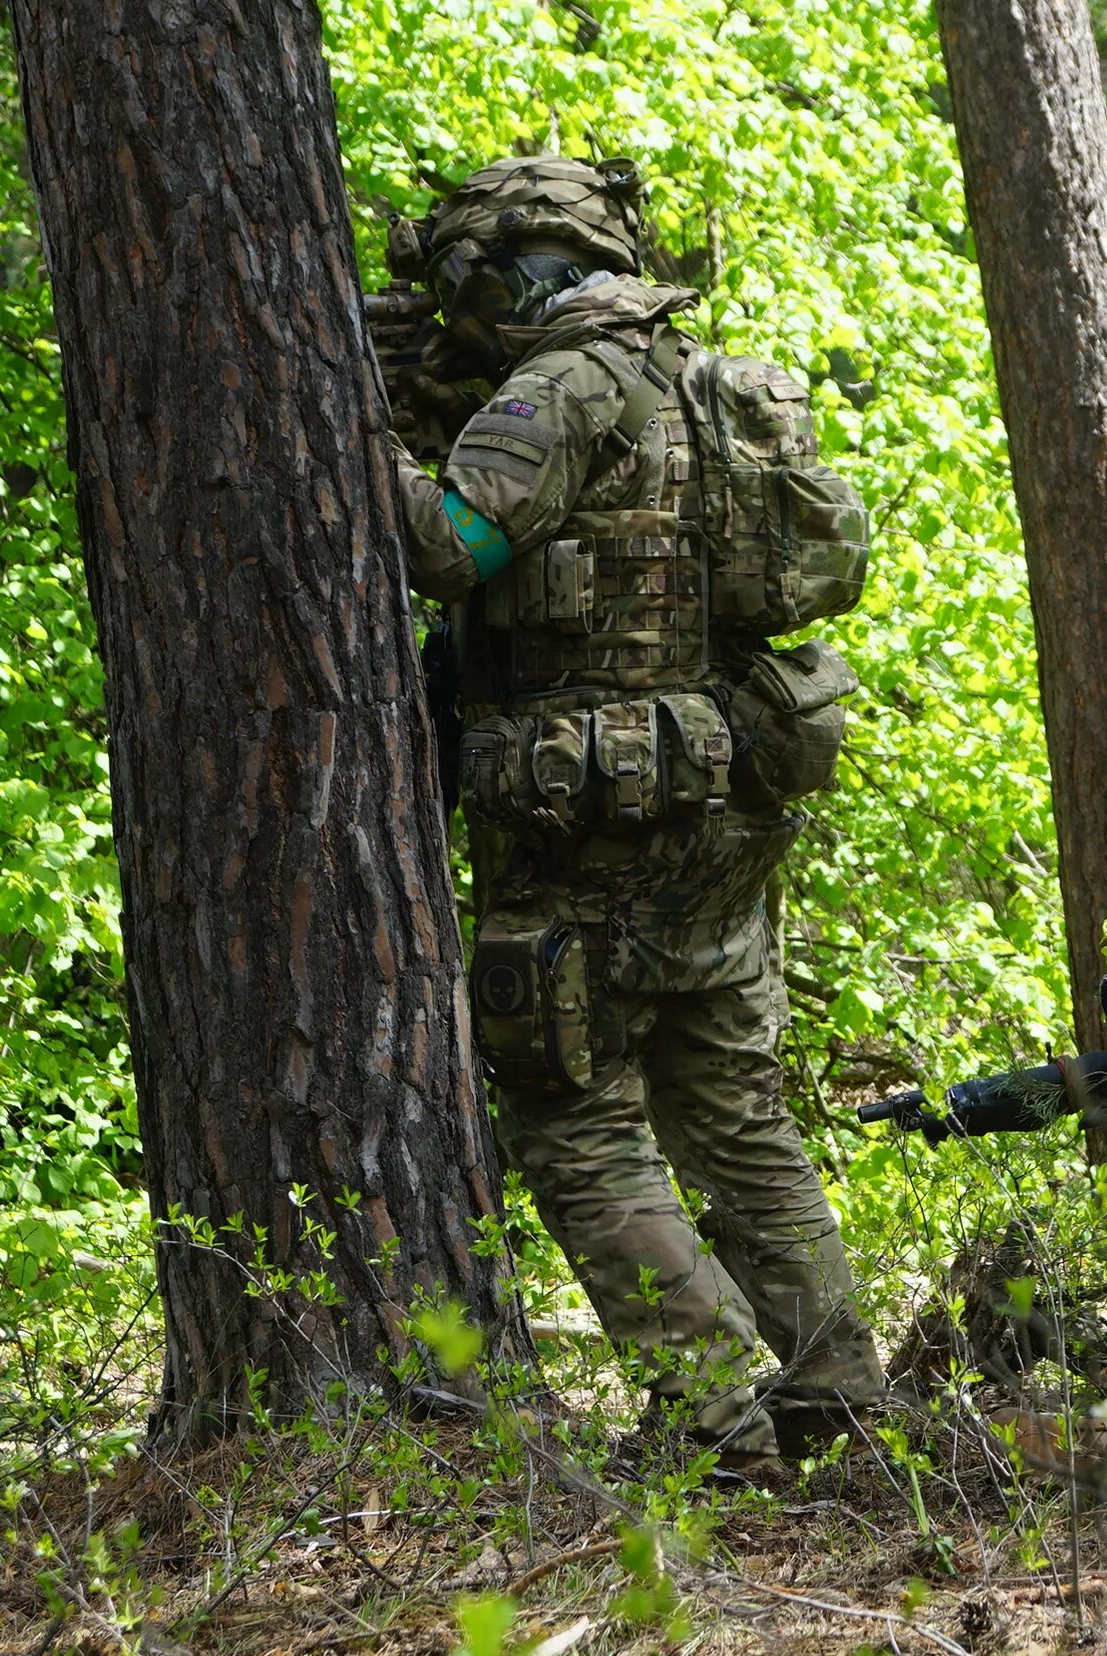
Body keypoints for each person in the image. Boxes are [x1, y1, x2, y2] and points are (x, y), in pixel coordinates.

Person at [378, 157, 884, 1458]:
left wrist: (355, 449)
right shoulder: (697, 378)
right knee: (735, 1117)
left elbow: (448, 543)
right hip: (722, 802)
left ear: (504, 277)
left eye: (461, 291)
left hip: (584, 823)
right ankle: (844, 1393)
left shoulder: (559, 387)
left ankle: (716, 1416)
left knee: (578, 1123)